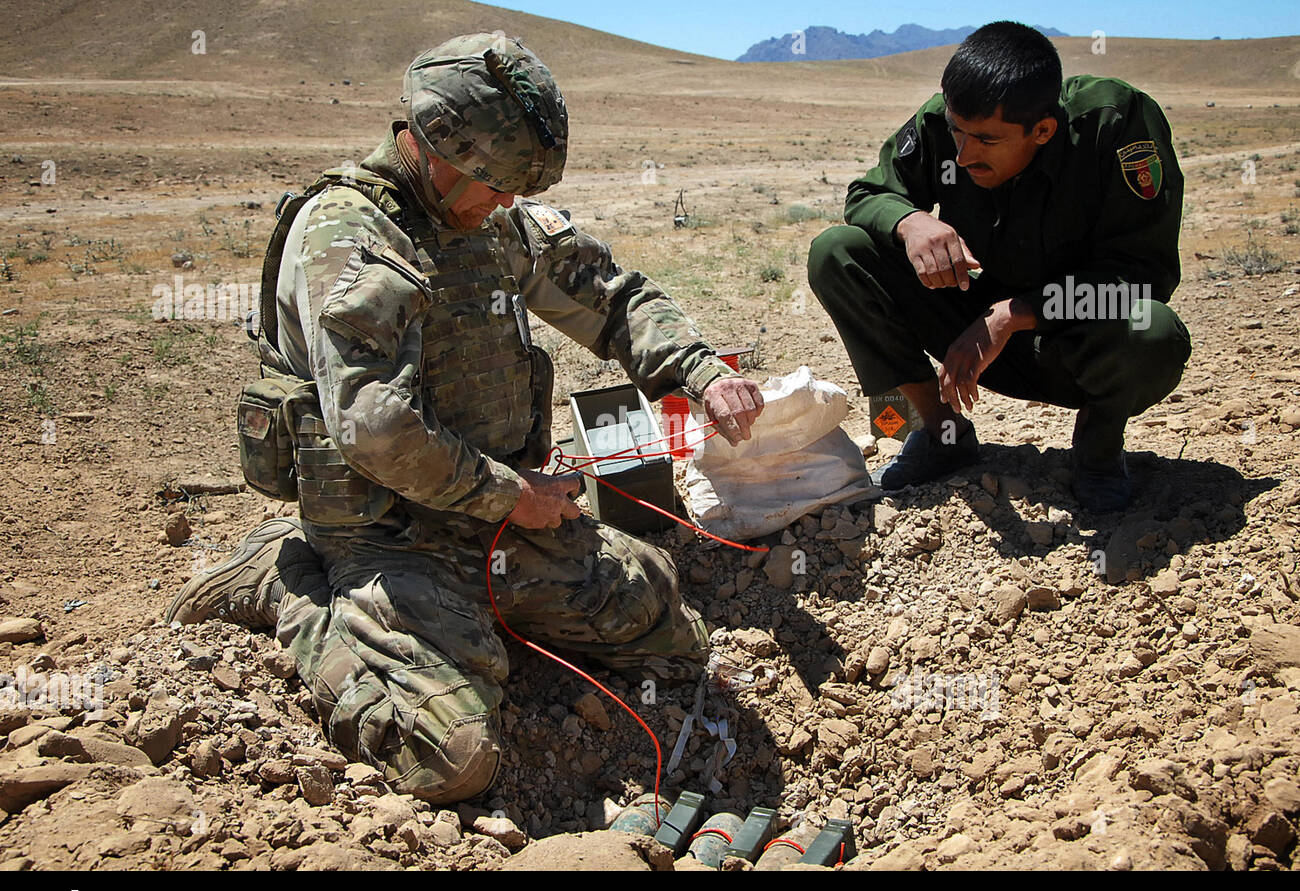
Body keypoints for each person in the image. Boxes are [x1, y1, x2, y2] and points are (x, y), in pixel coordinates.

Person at [166, 33, 764, 804]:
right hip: (384, 534)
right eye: (494, 180)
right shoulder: (349, 237)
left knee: (668, 628)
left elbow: (611, 298)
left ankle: (475, 612)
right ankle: (294, 585)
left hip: (495, 519)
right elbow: (377, 428)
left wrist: (700, 369)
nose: (509, 201)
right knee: (450, 756)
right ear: (436, 142)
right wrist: (513, 495)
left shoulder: (491, 222)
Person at [808, 21, 1191, 512]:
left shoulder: (1115, 125)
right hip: (964, 328)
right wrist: (911, 221)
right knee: (838, 251)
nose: (964, 154)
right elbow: (867, 196)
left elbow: (1144, 277)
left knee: (1151, 330)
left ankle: (1098, 452)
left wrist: (1015, 314)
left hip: (1072, 344)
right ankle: (942, 433)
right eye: (956, 133)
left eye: (986, 141)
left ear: (1043, 130)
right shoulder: (950, 117)